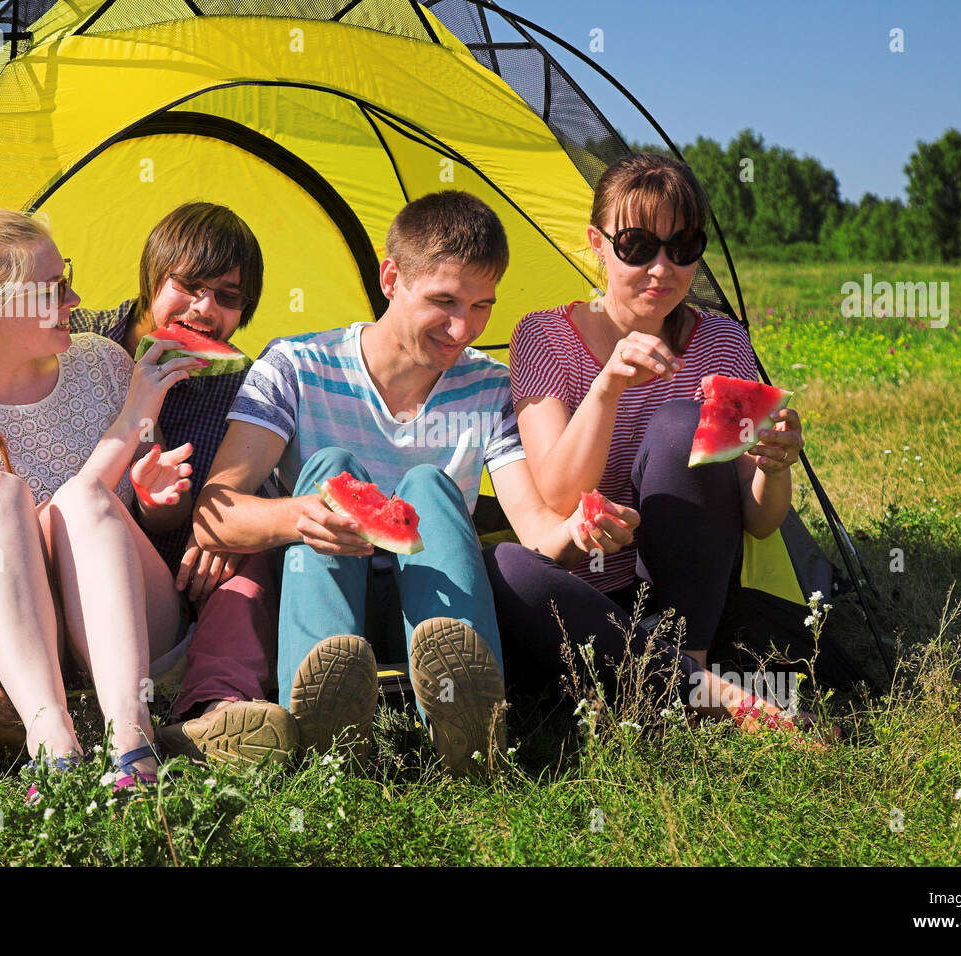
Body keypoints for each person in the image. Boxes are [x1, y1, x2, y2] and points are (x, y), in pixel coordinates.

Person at [190, 191, 635, 775]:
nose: (462, 328)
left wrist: (579, 533)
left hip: (434, 619)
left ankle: (470, 722)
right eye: (444, 301)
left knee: (429, 485)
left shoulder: (489, 387)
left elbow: (534, 534)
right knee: (330, 467)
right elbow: (213, 510)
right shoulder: (296, 365)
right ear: (391, 277)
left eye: (481, 306)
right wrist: (300, 516)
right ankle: (322, 711)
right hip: (322, 588)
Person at [0, 203, 296, 768]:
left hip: (128, 622)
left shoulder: (104, 362)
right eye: (51, 289)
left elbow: (138, 517)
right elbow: (25, 552)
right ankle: (49, 734)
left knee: (89, 500)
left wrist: (157, 497)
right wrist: (128, 420)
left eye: (67, 277)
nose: (74, 301)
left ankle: (131, 737)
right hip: (11, 634)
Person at [485, 152, 808, 728]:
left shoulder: (721, 343)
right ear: (597, 243)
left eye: (682, 248)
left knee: (680, 424)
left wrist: (773, 467)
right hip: (582, 596)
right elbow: (559, 497)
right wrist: (608, 382)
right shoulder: (544, 336)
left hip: (685, 605)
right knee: (505, 568)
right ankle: (701, 694)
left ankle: (684, 668)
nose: (662, 269)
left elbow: (759, 521)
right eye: (637, 246)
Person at [66, 202, 295, 766]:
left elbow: (191, 513)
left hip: (175, 587)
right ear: (152, 274)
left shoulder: (244, 385)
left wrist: (205, 524)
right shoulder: (77, 341)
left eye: (227, 296)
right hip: (65, 563)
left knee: (247, 551)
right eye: (188, 286)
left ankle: (216, 709)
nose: (203, 309)